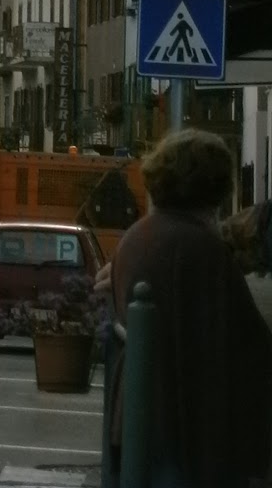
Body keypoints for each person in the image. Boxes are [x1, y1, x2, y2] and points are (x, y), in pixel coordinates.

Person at [104, 130, 272, 488]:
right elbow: (249, 341)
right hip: (187, 429)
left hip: (136, 419)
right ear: (215, 186)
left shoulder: (137, 236)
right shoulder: (201, 248)